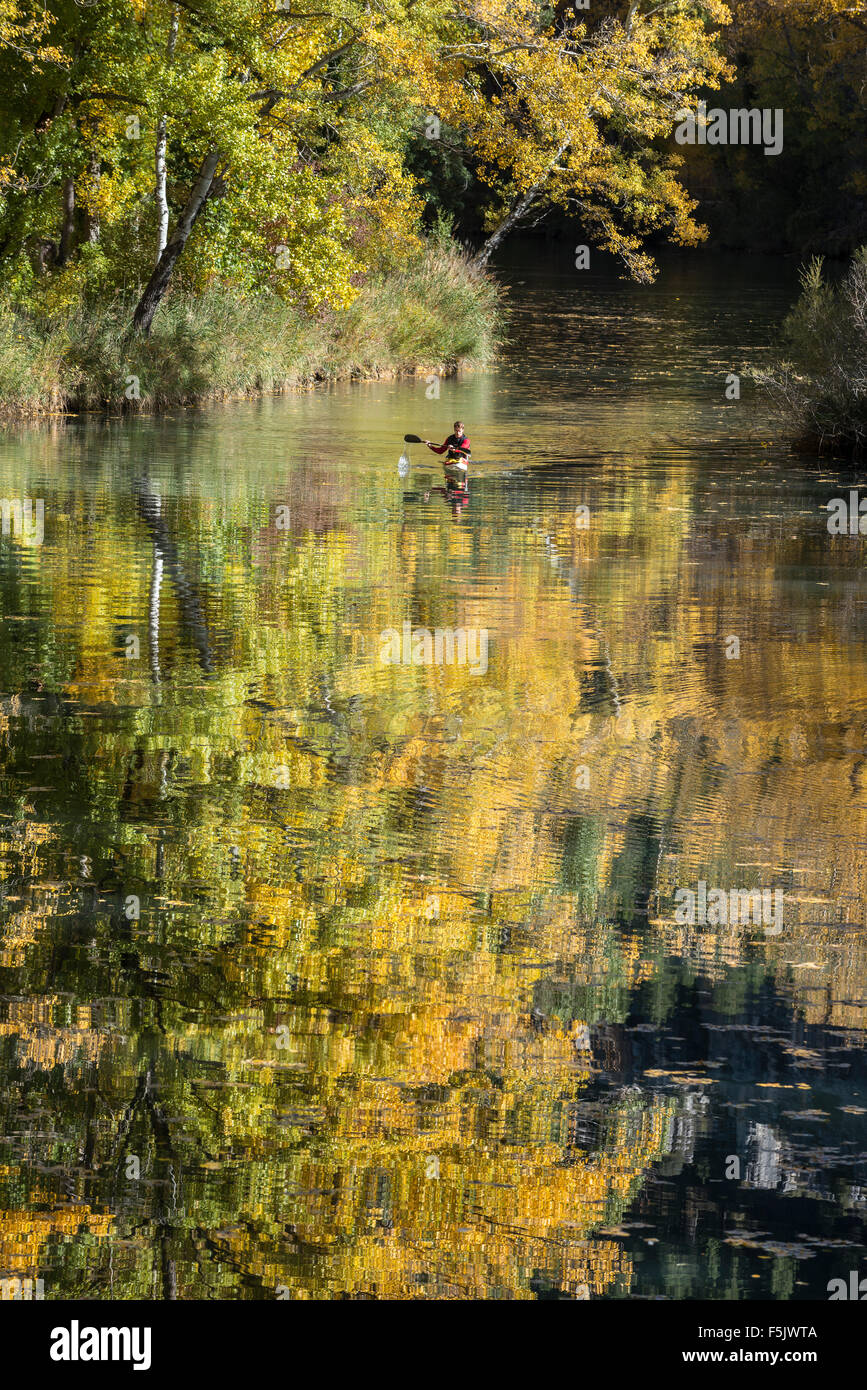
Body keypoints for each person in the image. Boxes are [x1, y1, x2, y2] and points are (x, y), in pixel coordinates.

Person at [425, 421, 470, 491]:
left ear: (463, 430)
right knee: (449, 482)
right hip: (450, 460)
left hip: (461, 460)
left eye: (459, 431)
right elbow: (440, 451)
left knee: (460, 484)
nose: (458, 433)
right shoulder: (449, 439)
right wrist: (430, 446)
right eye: (456, 431)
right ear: (454, 430)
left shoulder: (466, 440)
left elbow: (462, 449)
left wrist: (454, 449)